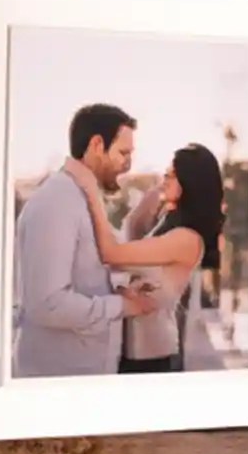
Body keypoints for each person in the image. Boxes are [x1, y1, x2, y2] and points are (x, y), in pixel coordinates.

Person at [12, 104, 161, 378]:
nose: (128, 164)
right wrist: (123, 307)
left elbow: (107, 260)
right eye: (123, 153)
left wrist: (126, 286)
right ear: (96, 145)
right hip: (57, 382)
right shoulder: (58, 201)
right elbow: (48, 304)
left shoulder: (83, 198)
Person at [70, 143, 225, 374]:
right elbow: (132, 233)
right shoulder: (168, 222)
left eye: (171, 175)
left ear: (190, 182)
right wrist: (153, 195)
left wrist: (92, 193)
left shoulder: (186, 239)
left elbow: (112, 254)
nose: (165, 179)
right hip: (134, 351)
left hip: (154, 357)